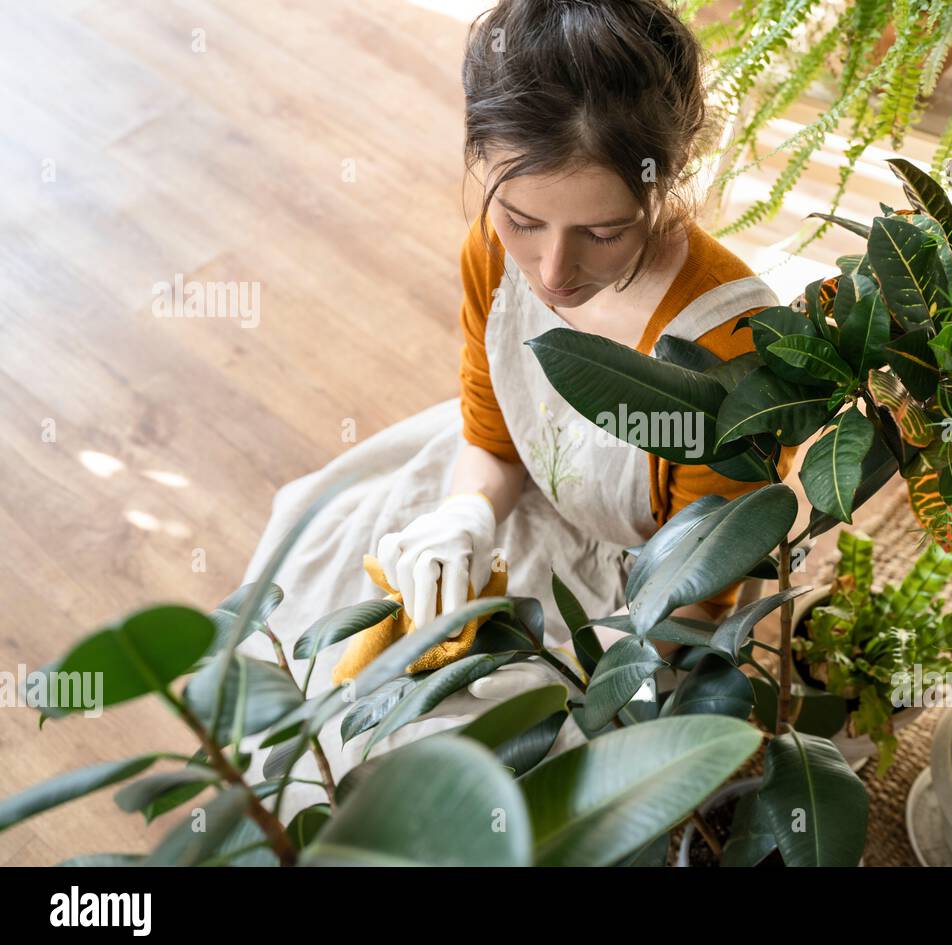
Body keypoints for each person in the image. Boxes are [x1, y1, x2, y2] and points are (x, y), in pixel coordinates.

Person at [237, 0, 793, 823]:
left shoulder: (730, 350)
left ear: (664, 182)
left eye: (603, 232)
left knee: (441, 774)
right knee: (308, 571)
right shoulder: (493, 251)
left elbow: (690, 607)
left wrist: (548, 673)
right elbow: (494, 438)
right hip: (525, 496)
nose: (553, 271)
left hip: (640, 606)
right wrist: (466, 516)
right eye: (523, 220)